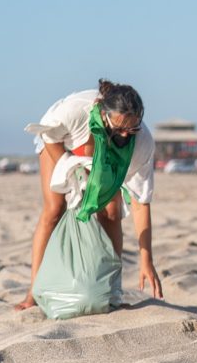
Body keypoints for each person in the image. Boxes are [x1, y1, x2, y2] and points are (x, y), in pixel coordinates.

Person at [16, 79, 163, 310]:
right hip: (60, 141)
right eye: (120, 128)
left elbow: (140, 202)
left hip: (104, 159)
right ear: (104, 114)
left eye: (132, 128)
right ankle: (33, 292)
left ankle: (111, 290)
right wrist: (72, 171)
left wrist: (147, 259)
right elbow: (49, 137)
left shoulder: (141, 141)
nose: (126, 134)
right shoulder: (74, 111)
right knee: (54, 210)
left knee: (112, 212)